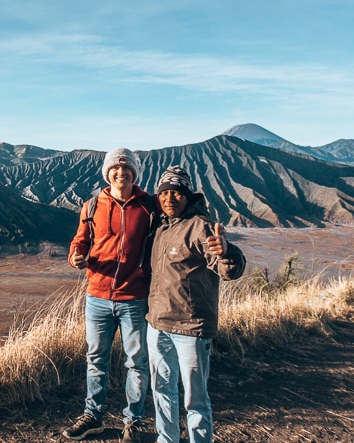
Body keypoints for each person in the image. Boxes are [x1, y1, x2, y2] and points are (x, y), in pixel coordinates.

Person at [62, 148, 157, 443]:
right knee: (95, 359)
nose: (121, 172)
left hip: (134, 297)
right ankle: (94, 417)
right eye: (116, 168)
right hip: (97, 297)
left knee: (137, 362)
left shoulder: (149, 206)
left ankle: (134, 422)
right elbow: (80, 241)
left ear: (134, 173)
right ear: (107, 173)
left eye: (127, 168)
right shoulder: (92, 206)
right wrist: (75, 256)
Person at [146, 165, 246, 443]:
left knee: (195, 398)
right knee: (161, 389)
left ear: (188, 196)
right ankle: (166, 439)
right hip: (157, 325)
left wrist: (228, 252)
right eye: (165, 193)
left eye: (177, 193)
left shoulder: (201, 227)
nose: (170, 198)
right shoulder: (159, 227)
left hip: (191, 327)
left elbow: (229, 271)